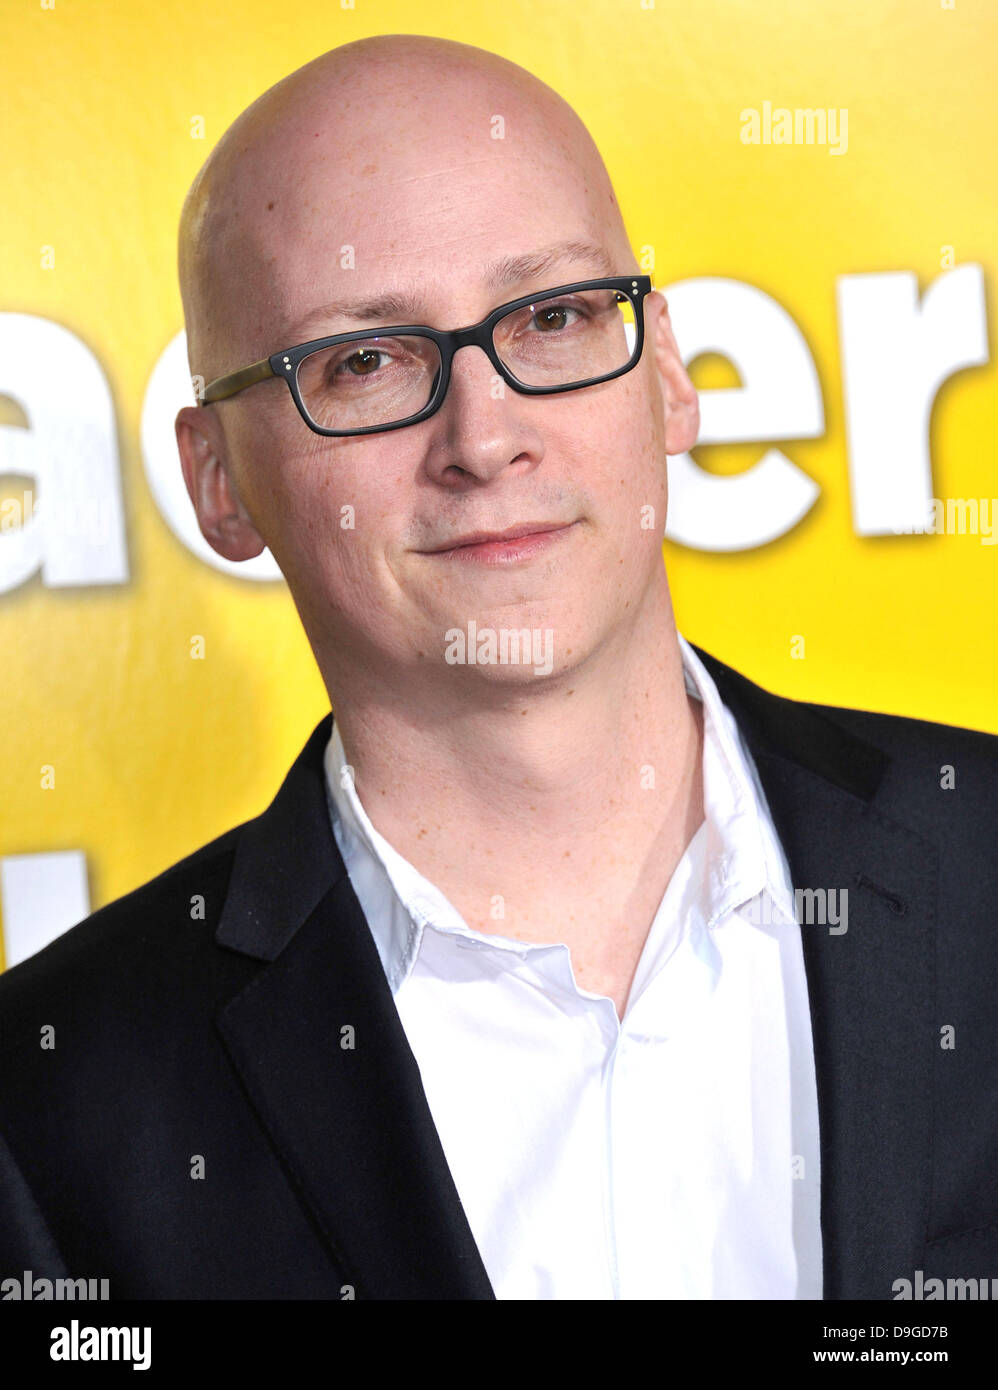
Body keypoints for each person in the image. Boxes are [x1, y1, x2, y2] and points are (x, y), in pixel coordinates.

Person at [1, 33, 997, 1303]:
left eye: (555, 315)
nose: (485, 435)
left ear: (673, 378)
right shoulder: (53, 1112)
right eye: (362, 360)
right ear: (217, 483)